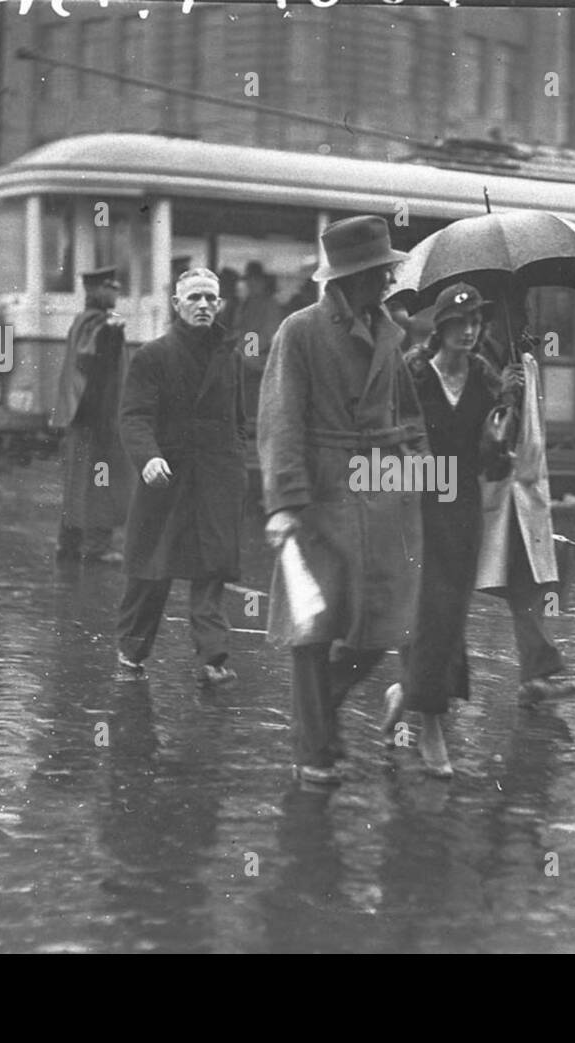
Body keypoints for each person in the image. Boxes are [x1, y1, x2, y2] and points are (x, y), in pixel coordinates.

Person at [258, 215, 425, 787]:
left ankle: (319, 717)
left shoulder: (391, 333)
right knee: (315, 627)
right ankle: (313, 750)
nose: (387, 281)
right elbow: (280, 421)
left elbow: (409, 418)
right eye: (380, 272)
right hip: (322, 493)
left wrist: (427, 476)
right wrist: (284, 502)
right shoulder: (299, 332)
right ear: (350, 278)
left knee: (384, 622)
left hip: (382, 490)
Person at [380, 283, 511, 777]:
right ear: (441, 328)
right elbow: (389, 438)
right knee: (424, 610)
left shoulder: (486, 378)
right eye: (461, 323)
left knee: (451, 612)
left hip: (463, 507)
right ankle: (431, 724)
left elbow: (492, 457)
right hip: (417, 504)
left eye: (477, 322)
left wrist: (509, 413)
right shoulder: (412, 374)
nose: (471, 330)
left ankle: (405, 693)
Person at [115, 268, 246, 686]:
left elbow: (238, 419)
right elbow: (133, 417)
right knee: (153, 571)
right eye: (194, 298)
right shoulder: (153, 355)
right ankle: (131, 651)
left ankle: (214, 657)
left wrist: (237, 464)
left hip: (215, 475)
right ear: (176, 305)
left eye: (211, 298)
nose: (204, 305)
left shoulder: (229, 355)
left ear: (220, 304)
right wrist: (148, 459)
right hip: (166, 477)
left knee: (212, 567)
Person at [475, 288, 575, 706]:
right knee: (520, 583)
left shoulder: (527, 363)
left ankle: (538, 674)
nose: (524, 325)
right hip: (491, 491)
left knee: (530, 583)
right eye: (516, 316)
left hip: (523, 491)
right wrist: (499, 391)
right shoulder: (479, 363)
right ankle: (538, 672)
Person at [53, 267, 133, 564]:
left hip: (81, 417)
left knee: (78, 481)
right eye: (111, 287)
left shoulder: (81, 321)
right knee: (102, 480)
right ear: (95, 290)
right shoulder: (101, 325)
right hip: (99, 418)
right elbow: (94, 368)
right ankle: (97, 546)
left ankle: (69, 544)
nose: (116, 292)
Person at [232, 261, 287, 425]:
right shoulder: (248, 303)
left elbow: (269, 335)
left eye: (254, 280)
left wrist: (247, 352)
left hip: (262, 360)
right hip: (247, 355)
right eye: (248, 280)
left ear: (262, 282)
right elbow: (241, 329)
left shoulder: (270, 304)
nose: (250, 284)